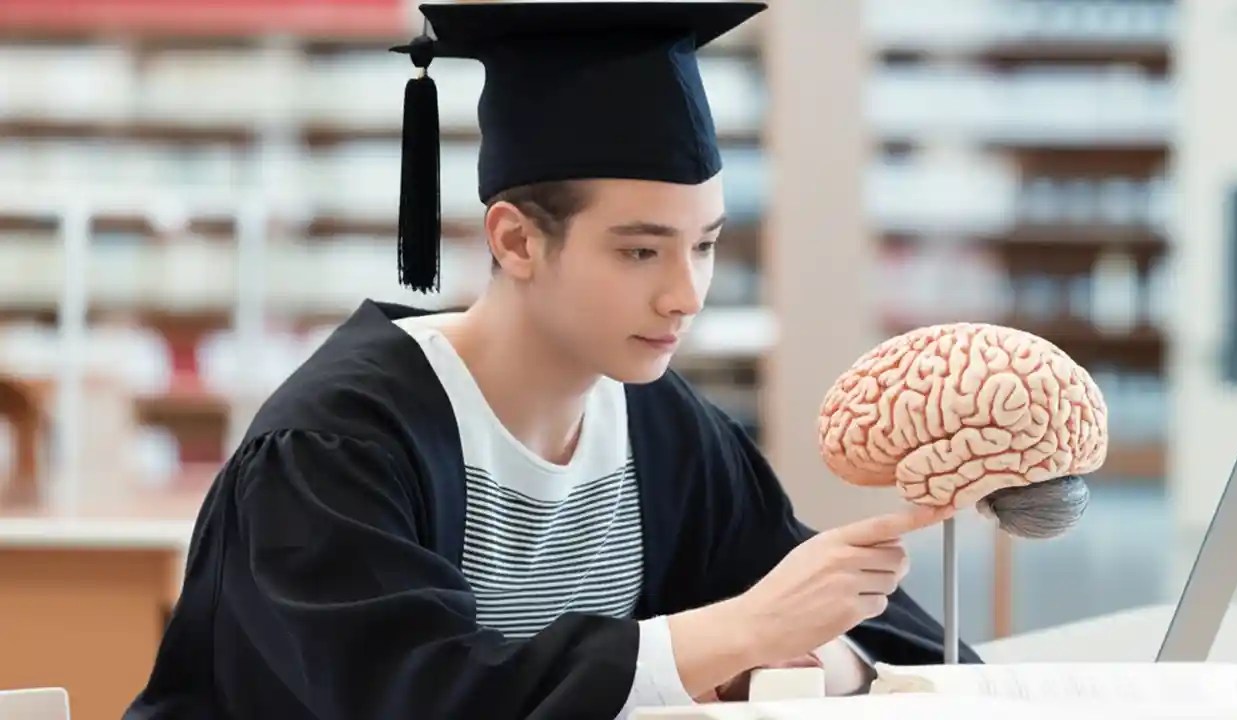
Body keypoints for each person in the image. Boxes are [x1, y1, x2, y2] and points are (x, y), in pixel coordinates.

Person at [124, 2, 980, 718]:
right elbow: (415, 696)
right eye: (641, 253)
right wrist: (735, 635)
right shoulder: (337, 447)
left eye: (707, 245)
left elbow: (884, 648)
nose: (686, 294)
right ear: (517, 239)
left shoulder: (664, 429)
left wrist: (830, 660)